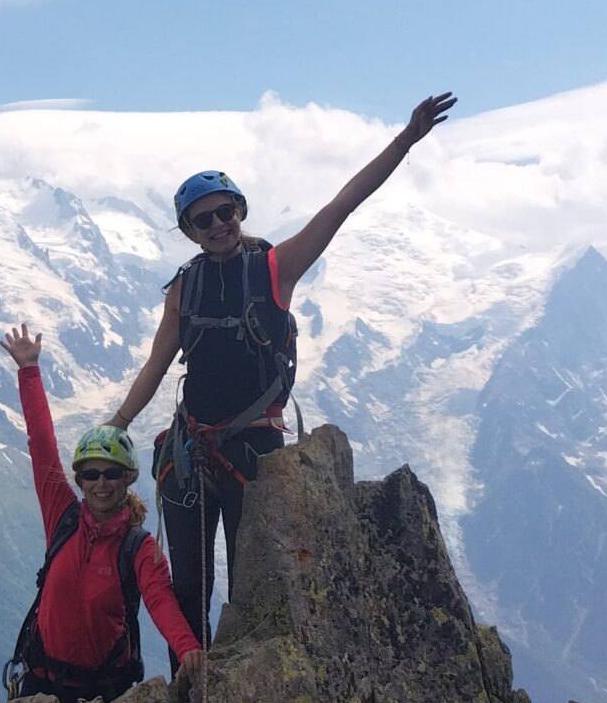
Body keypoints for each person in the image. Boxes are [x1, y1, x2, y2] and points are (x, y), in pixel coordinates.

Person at [108, 93, 456, 641]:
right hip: (192, 449)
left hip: (252, 452)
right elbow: (158, 362)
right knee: (188, 593)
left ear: (240, 210)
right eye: (204, 219)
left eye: (226, 211)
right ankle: (189, 690)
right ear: (189, 230)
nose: (219, 224)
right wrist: (119, 423)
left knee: (258, 589)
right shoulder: (184, 287)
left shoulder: (275, 266)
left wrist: (403, 142)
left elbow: (340, 206)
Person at [0, 323, 202, 703]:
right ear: (79, 480)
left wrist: (187, 646)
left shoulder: (138, 548)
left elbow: (161, 601)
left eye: (111, 473)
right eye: (91, 474)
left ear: (127, 479)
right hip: (42, 684)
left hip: (101, 696)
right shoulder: (63, 516)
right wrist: (29, 370)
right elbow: (41, 444)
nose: (101, 484)